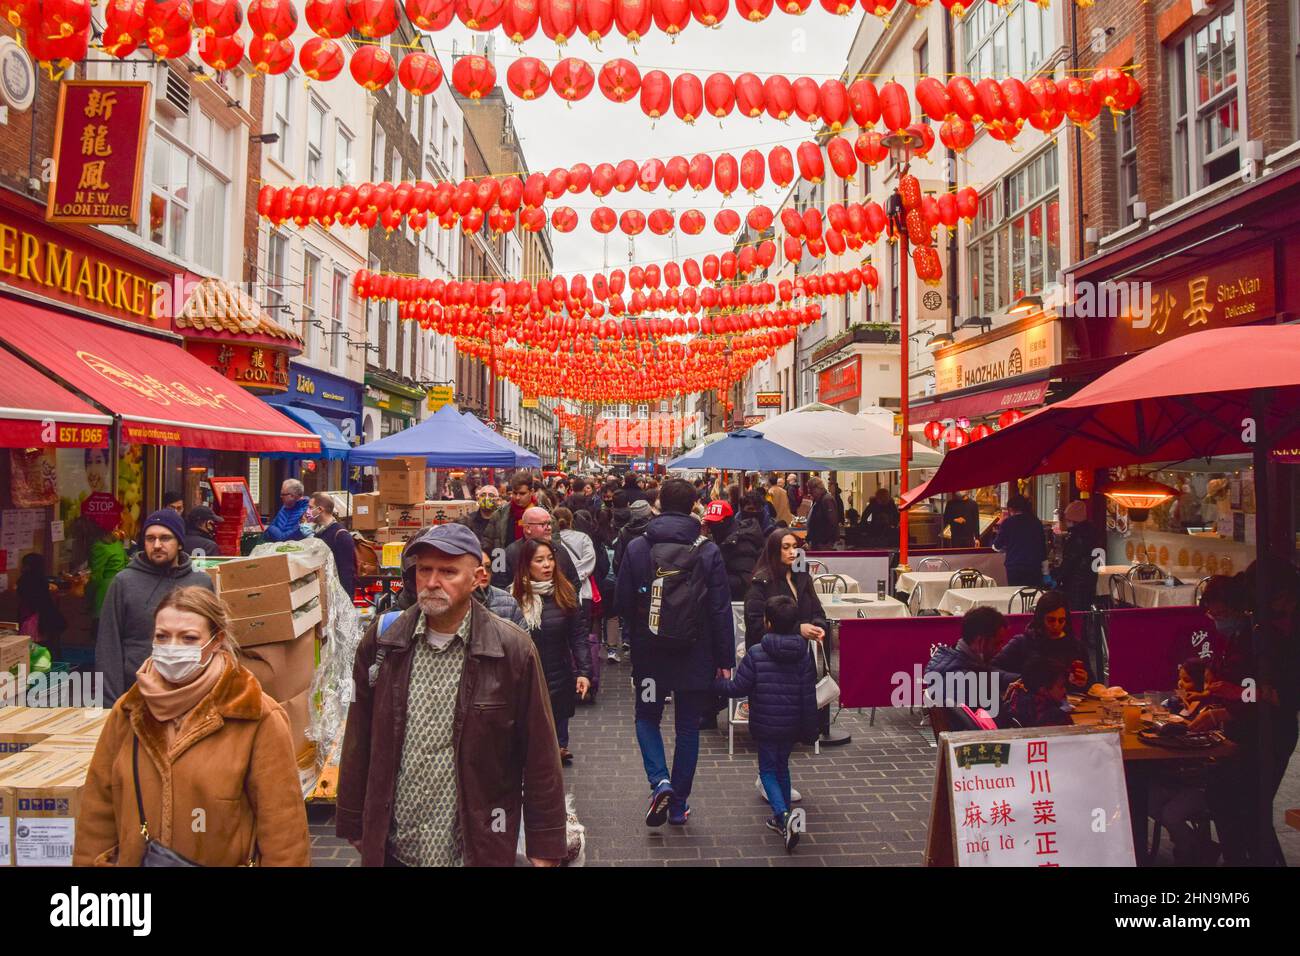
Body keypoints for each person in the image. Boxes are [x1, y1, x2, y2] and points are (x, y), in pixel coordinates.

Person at [336, 523, 569, 866]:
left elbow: (540, 754)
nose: (432, 582)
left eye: (447, 571)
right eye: (424, 570)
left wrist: (545, 845)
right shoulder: (383, 641)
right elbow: (359, 734)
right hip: (398, 846)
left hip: (473, 847)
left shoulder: (512, 650)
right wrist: (354, 819)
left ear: (476, 578)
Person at [75, 586, 310, 866]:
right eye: (162, 637)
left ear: (216, 641)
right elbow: (98, 811)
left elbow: (283, 828)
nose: (173, 648)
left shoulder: (255, 715)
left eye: (188, 638)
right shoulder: (129, 710)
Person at [616, 478, 734, 828]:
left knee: (647, 716)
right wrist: (725, 660)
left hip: (651, 650)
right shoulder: (708, 549)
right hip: (696, 652)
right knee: (687, 728)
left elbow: (621, 600)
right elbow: (720, 609)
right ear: (694, 505)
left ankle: (660, 781)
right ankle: (679, 804)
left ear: (657, 505)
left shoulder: (639, 547)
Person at [714, 595, 818, 851]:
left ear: (767, 623)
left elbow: (739, 687)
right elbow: (808, 694)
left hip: (765, 725)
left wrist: (714, 683)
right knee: (782, 767)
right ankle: (779, 816)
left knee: (768, 771)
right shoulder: (803, 655)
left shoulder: (757, 653)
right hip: (792, 724)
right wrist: (810, 728)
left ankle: (783, 817)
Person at [95, 509, 215, 706]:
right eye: (150, 539)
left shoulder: (200, 582)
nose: (157, 545)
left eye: (165, 538)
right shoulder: (123, 582)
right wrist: (111, 702)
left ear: (179, 543)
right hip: (137, 692)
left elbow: (213, 640)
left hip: (191, 693)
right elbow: (108, 644)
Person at [745, 528, 840, 755]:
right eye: (785, 547)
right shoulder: (762, 581)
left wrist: (817, 626)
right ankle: (769, 769)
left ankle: (781, 763)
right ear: (774, 551)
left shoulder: (802, 576)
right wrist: (800, 629)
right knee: (774, 716)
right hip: (770, 659)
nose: (792, 552)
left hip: (797, 656)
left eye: (795, 547)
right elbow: (756, 623)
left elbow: (818, 611)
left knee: (794, 712)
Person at [513, 538, 591, 764]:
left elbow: (578, 636)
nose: (547, 565)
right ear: (526, 565)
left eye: (550, 559)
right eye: (539, 560)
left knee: (555, 739)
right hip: (525, 679)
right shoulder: (513, 599)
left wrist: (584, 671)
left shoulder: (565, 593)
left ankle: (558, 751)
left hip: (559, 675)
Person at [923, 607, 1016, 724]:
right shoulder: (969, 680)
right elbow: (1000, 722)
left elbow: (995, 674)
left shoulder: (952, 661)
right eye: (997, 643)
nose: (1000, 648)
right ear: (980, 642)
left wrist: (1021, 679)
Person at [992, 590, 1091, 690]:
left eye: (1061, 620)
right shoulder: (1023, 642)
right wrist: (1022, 679)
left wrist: (1084, 682)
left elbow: (1092, 683)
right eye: (1051, 620)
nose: (1056, 625)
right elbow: (990, 669)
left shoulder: (1076, 646)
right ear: (1040, 619)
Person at [497, 506, 582, 591]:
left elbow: (575, 583)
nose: (549, 528)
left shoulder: (560, 550)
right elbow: (498, 587)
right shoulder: (506, 553)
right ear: (527, 528)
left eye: (549, 523)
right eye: (543, 524)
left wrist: (566, 600)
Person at [704, 499, 765, 603]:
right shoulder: (720, 537)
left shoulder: (741, 544)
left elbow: (745, 581)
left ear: (727, 521)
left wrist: (713, 580)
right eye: (709, 522)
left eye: (716, 522)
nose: (711, 526)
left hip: (736, 602)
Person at [308, 492, 357, 599]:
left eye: (310, 507)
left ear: (320, 509)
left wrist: (346, 602)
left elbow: (347, 573)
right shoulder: (318, 532)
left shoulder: (341, 535)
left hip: (336, 597)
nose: (308, 511)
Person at [993, 494, 1047, 588]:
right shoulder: (1036, 522)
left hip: (1015, 567)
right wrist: (1046, 572)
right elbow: (1042, 547)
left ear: (1011, 509)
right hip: (1034, 566)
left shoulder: (1008, 522)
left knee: (1017, 595)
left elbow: (997, 546)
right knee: (1033, 595)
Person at [1054, 499, 1098, 612]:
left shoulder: (1076, 538)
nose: (1066, 522)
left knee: (1075, 615)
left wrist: (1057, 576)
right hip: (1090, 583)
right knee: (1084, 614)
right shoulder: (1092, 534)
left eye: (1067, 519)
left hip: (1075, 585)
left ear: (1073, 520)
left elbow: (1069, 562)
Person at [1005, 655, 1072, 728]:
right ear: (1043, 689)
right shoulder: (1056, 718)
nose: (1065, 690)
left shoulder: (1017, 700)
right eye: (1061, 687)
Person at [17, 553, 65, 647]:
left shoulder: (26, 579)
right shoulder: (41, 579)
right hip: (43, 619)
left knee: (30, 648)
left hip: (31, 618)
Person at [484, 473, 536, 557]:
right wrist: (496, 566)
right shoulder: (499, 514)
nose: (517, 497)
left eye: (522, 493)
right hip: (504, 564)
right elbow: (487, 542)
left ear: (532, 492)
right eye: (515, 493)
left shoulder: (543, 514)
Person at [475, 549, 526, 628]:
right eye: (479, 568)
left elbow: (523, 637)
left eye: (488, 567)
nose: (484, 573)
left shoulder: (508, 601)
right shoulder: (457, 600)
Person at [804, 477, 839, 551]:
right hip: (817, 541)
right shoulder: (817, 500)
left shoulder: (827, 500)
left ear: (818, 488)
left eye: (811, 490)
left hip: (823, 543)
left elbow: (832, 522)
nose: (809, 492)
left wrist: (825, 540)